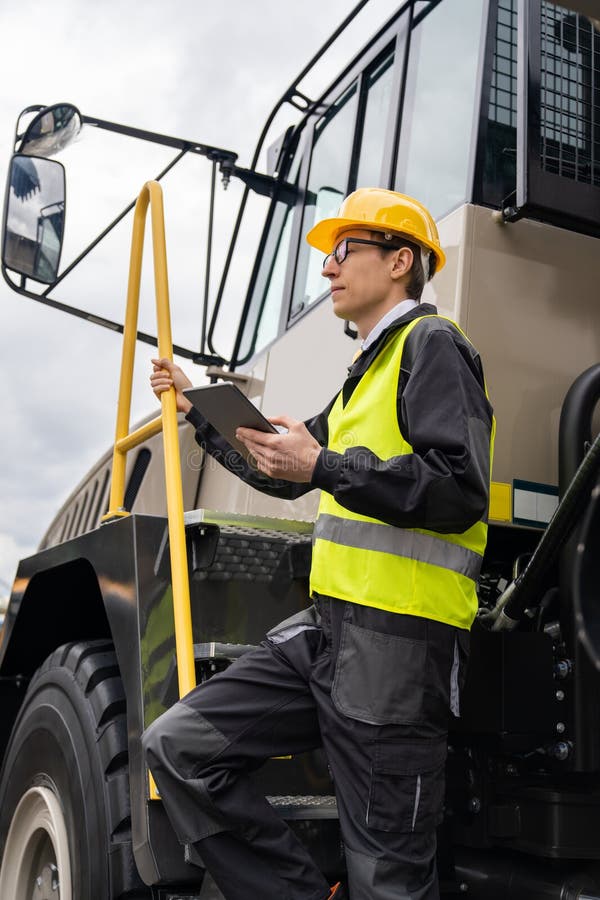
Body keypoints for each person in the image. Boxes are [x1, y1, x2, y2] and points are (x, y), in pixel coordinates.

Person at [142, 188, 495, 900]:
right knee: (178, 747)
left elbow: (459, 488)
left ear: (401, 262)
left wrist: (322, 464)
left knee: (386, 878)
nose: (328, 268)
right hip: (328, 636)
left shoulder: (433, 346)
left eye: (345, 251)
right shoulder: (369, 370)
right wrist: (198, 405)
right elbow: (285, 467)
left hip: (395, 654)